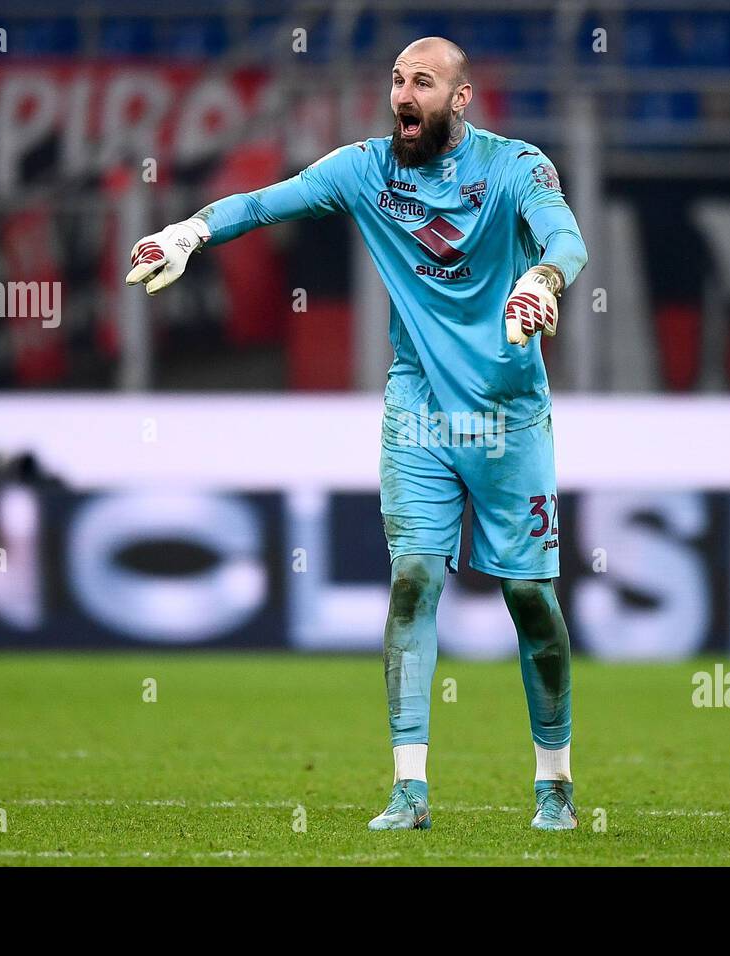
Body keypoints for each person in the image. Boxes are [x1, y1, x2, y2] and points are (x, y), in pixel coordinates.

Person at [125, 37, 589, 831]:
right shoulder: (365, 170)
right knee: (413, 579)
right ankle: (410, 791)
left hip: (509, 414)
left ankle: (554, 783)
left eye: (423, 83)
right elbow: (266, 202)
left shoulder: (517, 166)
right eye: (397, 81)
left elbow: (566, 238)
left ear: (461, 99)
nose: (404, 94)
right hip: (418, 412)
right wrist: (188, 233)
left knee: (530, 598)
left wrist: (541, 280)